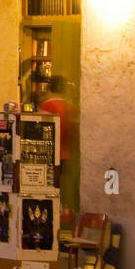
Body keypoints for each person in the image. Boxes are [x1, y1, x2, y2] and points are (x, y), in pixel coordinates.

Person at [38, 77, 79, 212]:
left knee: (51, 186)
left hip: (50, 154)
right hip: (66, 153)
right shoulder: (70, 106)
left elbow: (41, 130)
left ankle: (54, 212)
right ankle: (66, 211)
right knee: (64, 186)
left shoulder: (47, 106)